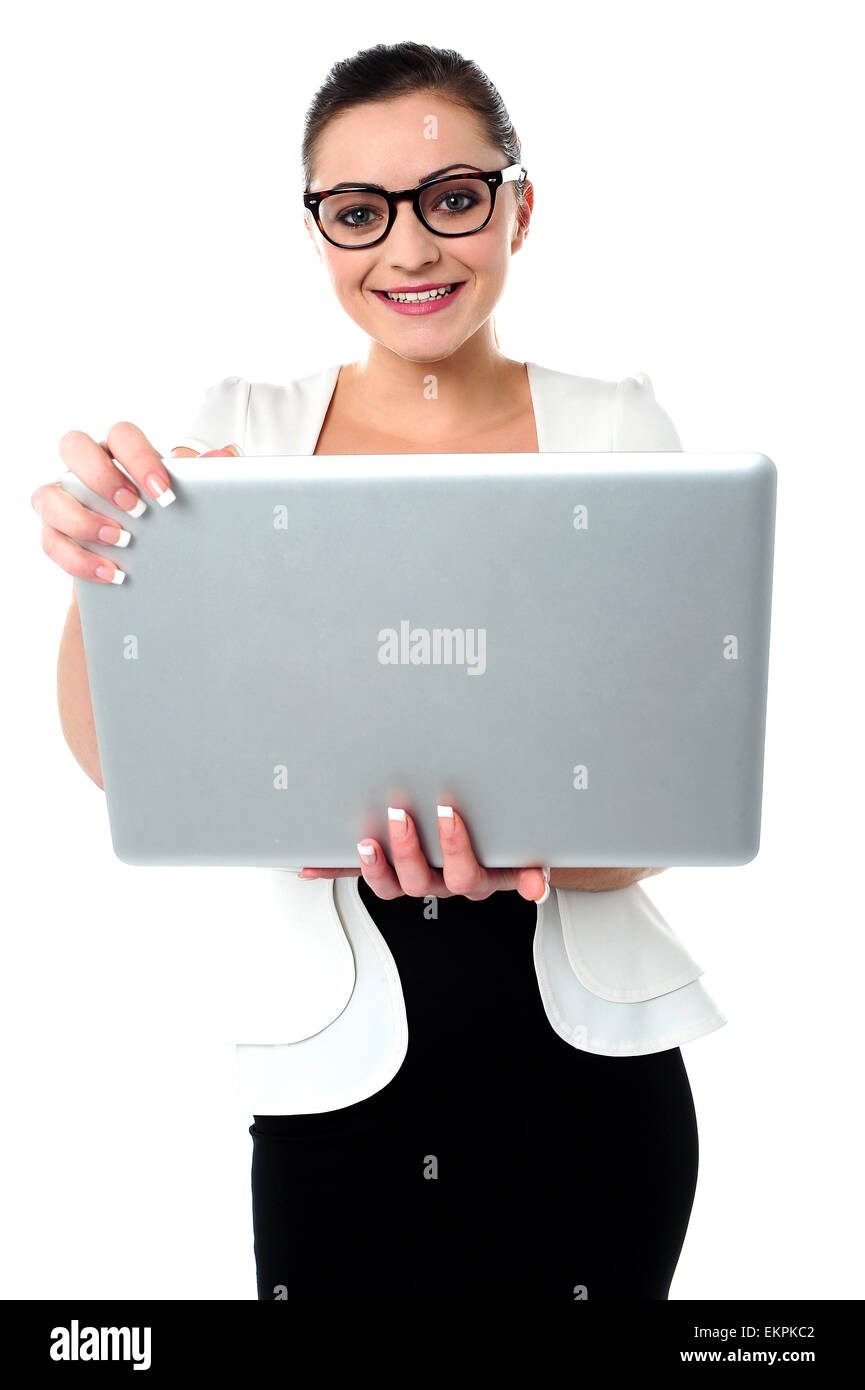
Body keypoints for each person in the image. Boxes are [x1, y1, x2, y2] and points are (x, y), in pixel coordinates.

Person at [36, 41, 721, 1300]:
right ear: (319, 235)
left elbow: (659, 811)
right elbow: (123, 762)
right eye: (358, 214)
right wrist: (106, 573)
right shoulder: (239, 429)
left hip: (590, 1074)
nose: (409, 251)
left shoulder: (617, 426)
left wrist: (528, 852)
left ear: (519, 204)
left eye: (452, 198)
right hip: (333, 1075)